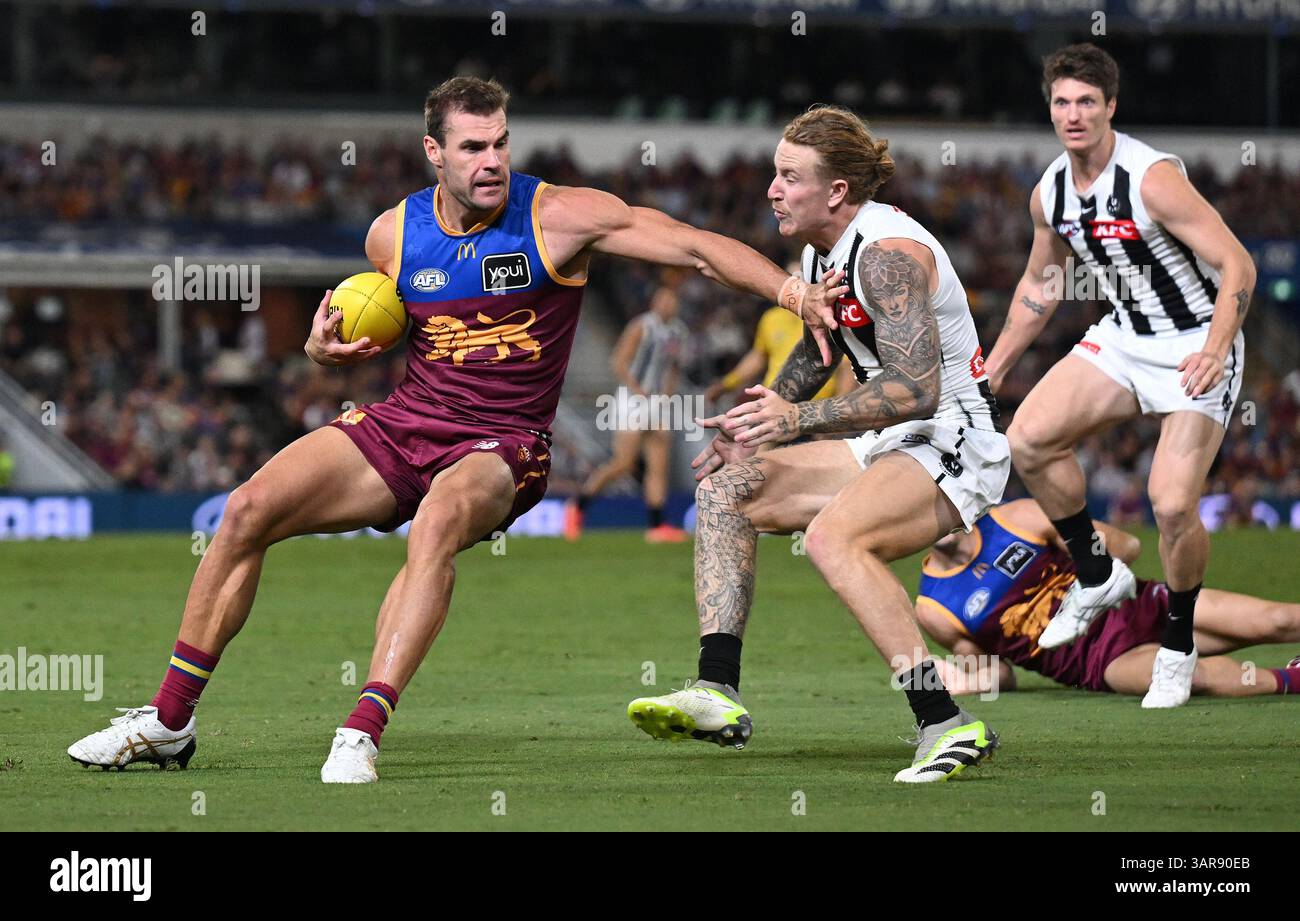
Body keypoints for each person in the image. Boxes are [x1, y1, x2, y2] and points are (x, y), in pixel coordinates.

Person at [65, 77, 844, 783]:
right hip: (408, 422)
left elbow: (695, 248)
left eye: (502, 142)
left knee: (435, 524)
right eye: (473, 146)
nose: (492, 160)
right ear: (433, 151)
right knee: (245, 511)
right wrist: (319, 350)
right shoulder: (390, 238)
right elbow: (365, 339)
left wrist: (790, 291)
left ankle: (361, 731)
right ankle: (168, 723)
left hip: (505, 443)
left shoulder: (559, 218)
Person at [627, 105, 1009, 783]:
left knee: (835, 538)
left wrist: (795, 423)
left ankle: (946, 721)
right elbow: (817, 349)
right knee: (727, 489)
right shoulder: (820, 253)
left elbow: (917, 388)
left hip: (952, 435)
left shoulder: (889, 254)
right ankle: (718, 689)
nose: (771, 189)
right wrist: (755, 420)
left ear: (837, 191)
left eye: (788, 176)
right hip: (890, 437)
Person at [983, 43, 1257, 708]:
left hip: (1196, 341)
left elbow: (1239, 265)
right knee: (1030, 438)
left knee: (1169, 504)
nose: (1073, 114)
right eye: (1062, 102)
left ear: (1110, 107)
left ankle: (1180, 642)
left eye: (1086, 102)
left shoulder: (1152, 178)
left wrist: (1218, 349)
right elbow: (1040, 284)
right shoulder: (1049, 192)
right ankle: (1097, 571)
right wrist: (989, 371)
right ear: (1050, 109)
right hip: (1126, 337)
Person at [914, 498, 1300, 699]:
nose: (932, 518)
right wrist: (961, 683)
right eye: (916, 513)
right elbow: (999, 675)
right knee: (1186, 679)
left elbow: (1127, 547)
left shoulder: (1018, 518)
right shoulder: (934, 608)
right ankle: (1293, 678)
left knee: (1279, 621)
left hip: (1144, 606)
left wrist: (1088, 570)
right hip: (1102, 661)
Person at [564, 268, 692, 543]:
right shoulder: (641, 326)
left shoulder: (678, 332)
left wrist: (666, 396)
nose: (669, 304)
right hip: (633, 402)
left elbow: (672, 369)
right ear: (654, 302)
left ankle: (657, 526)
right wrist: (639, 391)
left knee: (659, 465)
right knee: (623, 463)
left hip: (657, 402)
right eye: (664, 299)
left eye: (672, 300)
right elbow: (618, 361)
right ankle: (578, 505)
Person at [704, 261, 852, 407]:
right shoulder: (772, 318)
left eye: (803, 279)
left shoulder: (829, 319)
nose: (799, 285)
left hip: (812, 413)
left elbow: (846, 371)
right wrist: (726, 385)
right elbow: (758, 357)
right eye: (794, 279)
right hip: (772, 405)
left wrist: (836, 418)